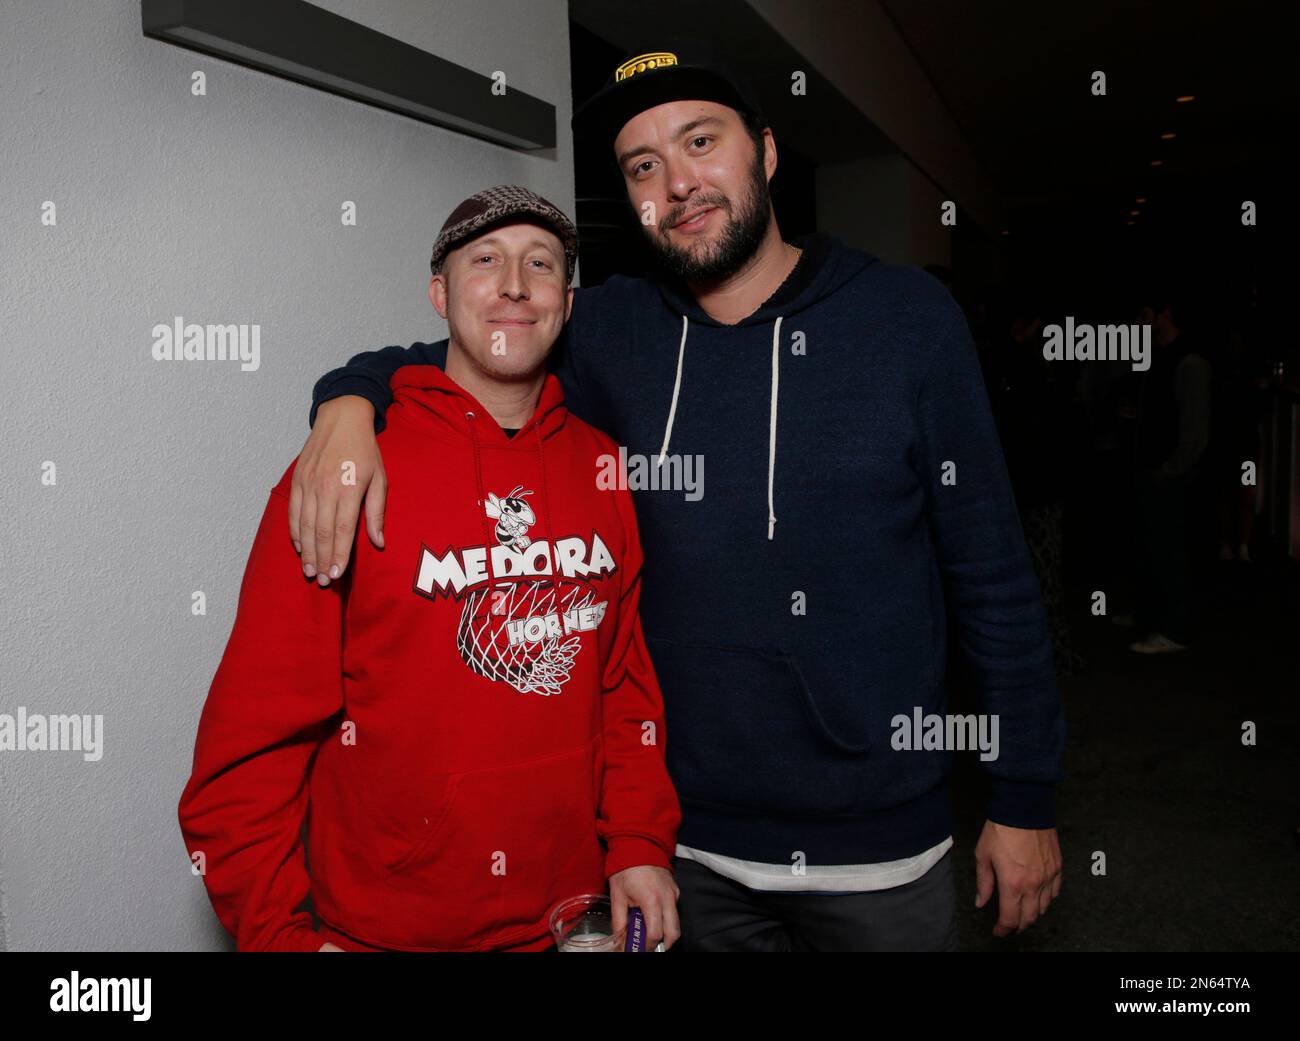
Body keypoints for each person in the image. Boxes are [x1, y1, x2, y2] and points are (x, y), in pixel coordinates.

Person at [289, 44, 1066, 950]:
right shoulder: (613, 331)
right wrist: (347, 399)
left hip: (880, 852)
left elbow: (994, 575)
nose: (679, 183)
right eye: (644, 166)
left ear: (766, 154)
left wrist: (1022, 795)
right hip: (679, 854)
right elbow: (471, 349)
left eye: (701, 142)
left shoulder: (907, 323)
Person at [178, 186, 681, 952]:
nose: (515, 283)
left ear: (566, 304)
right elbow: (252, 737)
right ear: (440, 294)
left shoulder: (604, 467)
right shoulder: (345, 473)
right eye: (486, 261)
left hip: (572, 922)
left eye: (539, 264)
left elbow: (623, 686)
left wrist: (640, 842)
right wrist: (282, 935)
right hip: (388, 933)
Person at [1126, 294, 1212, 654]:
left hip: (1169, 474)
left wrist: (1169, 470)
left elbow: (1195, 431)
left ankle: (1173, 627)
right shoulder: (1158, 357)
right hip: (1152, 468)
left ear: (1165, 315)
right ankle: (1153, 615)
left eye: (1144, 313)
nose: (1138, 321)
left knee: (1171, 551)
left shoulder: (1189, 362)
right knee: (1152, 547)